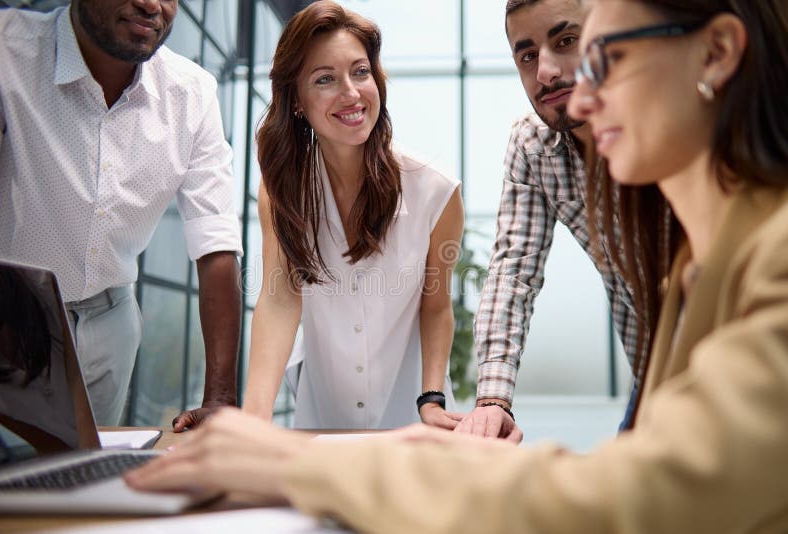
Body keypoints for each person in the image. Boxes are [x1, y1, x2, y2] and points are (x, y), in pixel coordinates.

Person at [127, 0, 788, 531]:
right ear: (297, 100)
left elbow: (630, 501)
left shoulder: (773, 263)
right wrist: (264, 425)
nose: (573, 98)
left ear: (718, 51)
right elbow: (511, 274)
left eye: (604, 58)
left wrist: (313, 463)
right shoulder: (700, 270)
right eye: (529, 54)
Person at [0, 0, 243, 427]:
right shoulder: (1, 48)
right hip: (6, 314)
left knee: (84, 479)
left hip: (112, 320)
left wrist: (220, 397)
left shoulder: (192, 93)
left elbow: (215, 242)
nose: (150, 4)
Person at [241, 1, 465, 430]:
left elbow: (435, 307)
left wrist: (432, 398)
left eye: (360, 72)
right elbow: (279, 297)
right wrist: (254, 418)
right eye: (325, 79)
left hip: (415, 422)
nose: (350, 93)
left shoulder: (435, 190)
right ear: (296, 102)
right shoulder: (281, 191)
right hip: (321, 419)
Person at [456, 0, 639, 442]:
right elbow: (512, 274)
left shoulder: (665, 121)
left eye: (566, 41)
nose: (545, 72)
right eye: (527, 55)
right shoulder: (532, 145)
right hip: (654, 364)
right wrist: (492, 401)